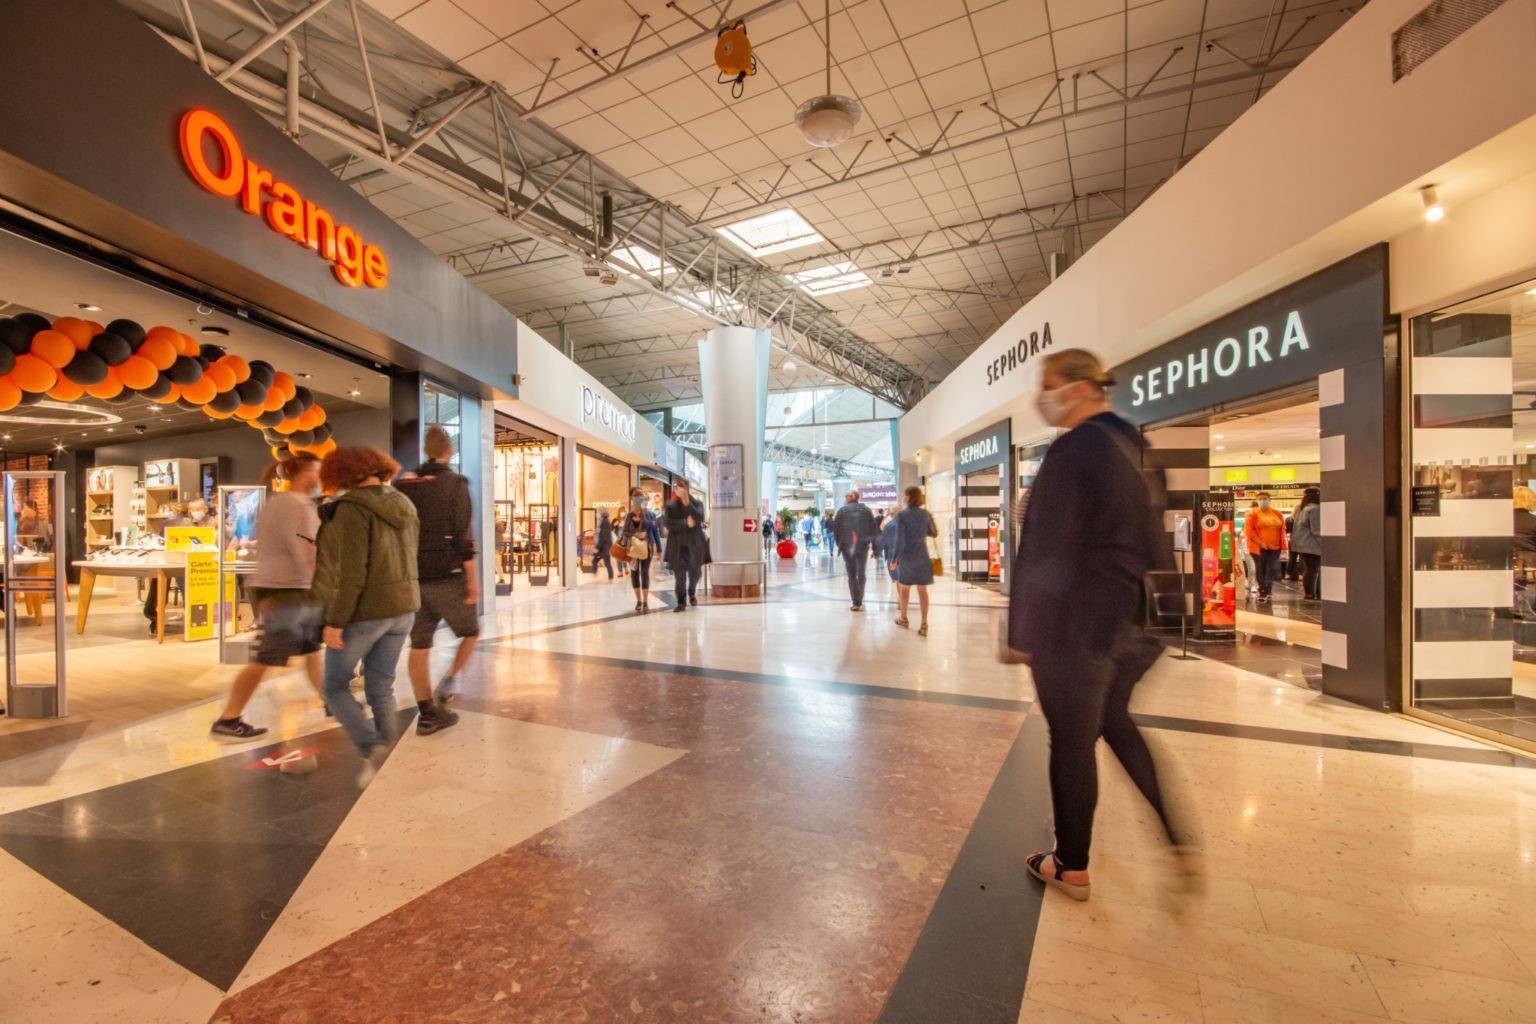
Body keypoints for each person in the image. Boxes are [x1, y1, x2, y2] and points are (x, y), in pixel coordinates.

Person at [1007, 348, 1194, 902]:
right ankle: (1179, 840)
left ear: (1080, 387)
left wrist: (1022, 631)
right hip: (1136, 622)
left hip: (1079, 627)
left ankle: (1071, 865)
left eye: (1049, 385)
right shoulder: (1133, 444)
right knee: (1114, 721)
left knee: (1070, 739)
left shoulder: (1074, 451)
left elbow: (1046, 547)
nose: (1043, 397)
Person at [313, 446, 454, 788]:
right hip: (403, 607)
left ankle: (371, 745)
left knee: (333, 685)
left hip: (365, 611)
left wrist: (335, 620)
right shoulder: (404, 503)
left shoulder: (350, 509)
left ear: (342, 474)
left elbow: (353, 573)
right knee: (381, 684)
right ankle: (387, 753)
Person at [209, 454, 325, 741]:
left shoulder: (279, 502)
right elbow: (306, 551)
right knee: (265, 656)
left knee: (310, 649)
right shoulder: (295, 504)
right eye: (318, 472)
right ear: (307, 473)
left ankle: (332, 701)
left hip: (287, 589)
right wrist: (322, 584)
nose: (320, 478)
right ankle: (229, 718)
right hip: (285, 591)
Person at [396, 425, 480, 707]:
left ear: (425, 450)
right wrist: (472, 579)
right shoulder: (456, 484)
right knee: (470, 631)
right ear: (449, 450)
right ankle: (450, 679)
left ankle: (425, 708)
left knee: (419, 643)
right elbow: (462, 535)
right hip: (448, 575)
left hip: (414, 576)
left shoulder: (405, 485)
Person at [890, 486, 937, 636]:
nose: (904, 498)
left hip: (907, 554)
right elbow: (934, 533)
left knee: (905, 588)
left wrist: (894, 558)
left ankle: (904, 617)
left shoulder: (902, 515)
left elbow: (899, 539)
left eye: (905, 495)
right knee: (922, 589)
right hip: (922, 553)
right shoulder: (926, 514)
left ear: (909, 497)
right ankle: (924, 623)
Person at [662, 479, 707, 611]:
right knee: (680, 577)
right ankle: (681, 602)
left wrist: (688, 505)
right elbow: (668, 523)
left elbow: (699, 517)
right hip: (678, 547)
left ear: (687, 488)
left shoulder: (697, 503)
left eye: (681, 486)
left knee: (696, 573)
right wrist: (685, 523)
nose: (679, 489)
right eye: (677, 486)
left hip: (694, 546)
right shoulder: (670, 506)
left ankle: (691, 592)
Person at [832, 489, 876, 610]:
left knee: (851, 574)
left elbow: (837, 530)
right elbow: (873, 528)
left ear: (851, 497)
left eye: (846, 495)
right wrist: (873, 546)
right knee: (861, 573)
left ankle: (855, 602)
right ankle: (859, 599)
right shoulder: (867, 510)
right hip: (862, 547)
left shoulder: (841, 511)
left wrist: (839, 545)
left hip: (847, 547)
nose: (845, 498)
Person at [620, 490, 662, 612]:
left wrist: (659, 550)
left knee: (644, 572)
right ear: (633, 499)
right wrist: (636, 533)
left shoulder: (651, 515)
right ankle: (638, 600)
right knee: (634, 573)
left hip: (647, 548)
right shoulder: (629, 515)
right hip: (633, 548)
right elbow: (625, 533)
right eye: (636, 498)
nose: (638, 500)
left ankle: (645, 602)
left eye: (640, 498)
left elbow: (656, 533)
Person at [1243, 490, 1287, 604]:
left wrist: (1283, 545)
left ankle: (1269, 590)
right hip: (1258, 547)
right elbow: (1249, 531)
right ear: (1257, 501)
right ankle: (1262, 591)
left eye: (1265, 498)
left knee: (1271, 568)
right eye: (1260, 499)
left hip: (1275, 546)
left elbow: (1283, 528)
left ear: (1269, 500)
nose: (1263, 501)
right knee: (1261, 568)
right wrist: (1260, 542)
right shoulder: (1252, 514)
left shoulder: (1277, 513)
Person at [1292, 486, 1323, 602]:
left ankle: (1309, 593)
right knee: (1313, 569)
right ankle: (1312, 593)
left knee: (1309, 569)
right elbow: (1317, 530)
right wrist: (1326, 544)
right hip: (1312, 545)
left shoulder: (1301, 509)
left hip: (1302, 545)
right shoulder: (1315, 509)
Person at [592, 510, 615, 579]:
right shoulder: (604, 521)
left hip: (604, 547)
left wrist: (597, 547)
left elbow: (603, 536)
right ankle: (610, 577)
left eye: (599, 513)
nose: (597, 514)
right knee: (605, 562)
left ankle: (610, 577)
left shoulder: (605, 522)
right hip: (604, 547)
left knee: (605, 562)